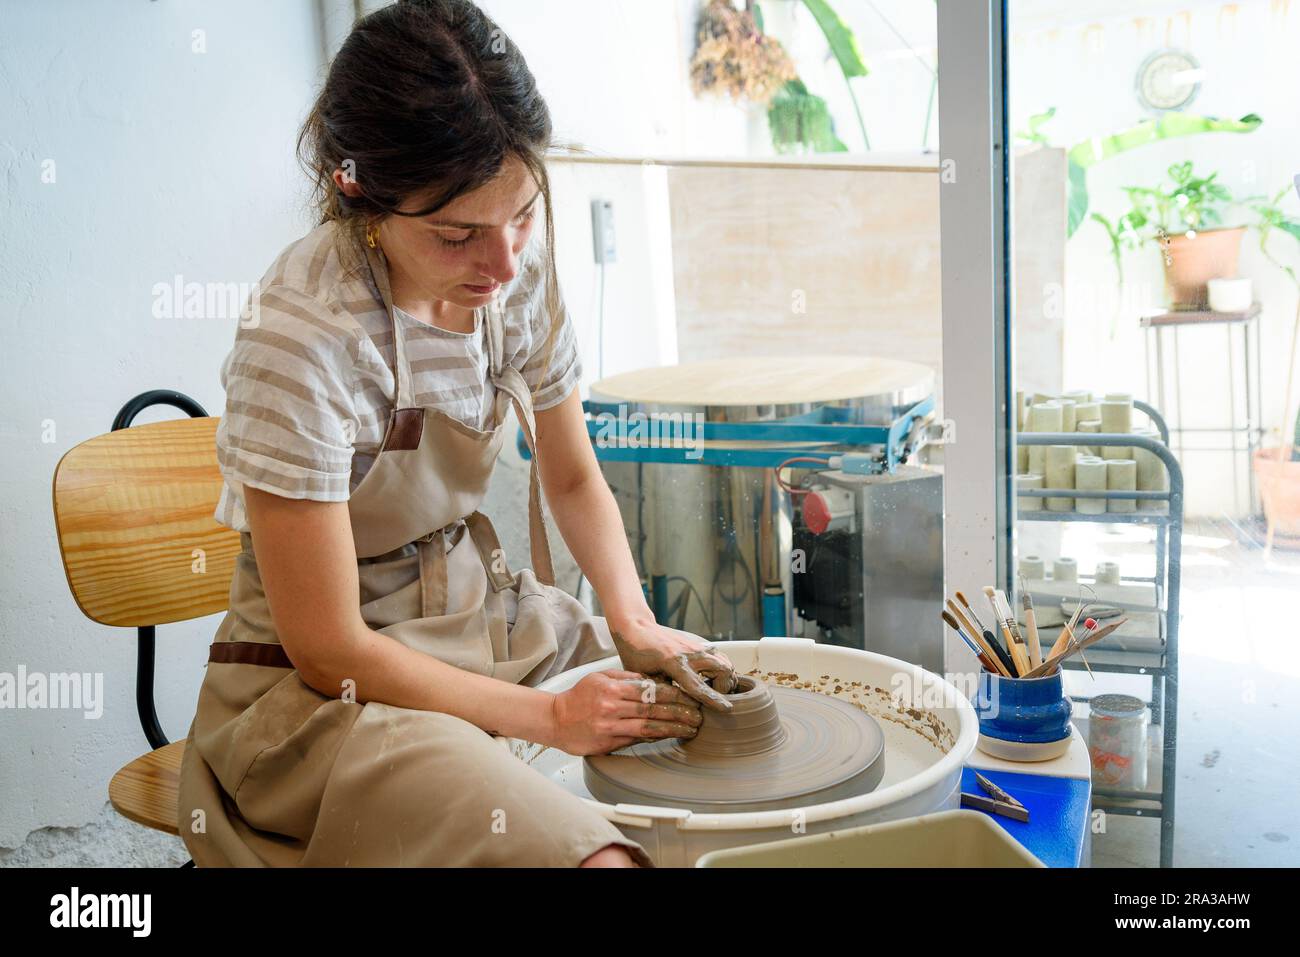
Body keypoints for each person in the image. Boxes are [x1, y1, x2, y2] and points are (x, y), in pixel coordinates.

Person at [176, 0, 735, 868]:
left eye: (521, 214)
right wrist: (549, 717)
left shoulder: (511, 272)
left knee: (702, 715)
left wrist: (631, 619)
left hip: (479, 616)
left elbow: (574, 478)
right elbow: (329, 647)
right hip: (326, 689)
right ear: (356, 191)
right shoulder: (304, 336)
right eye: (458, 234)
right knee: (592, 856)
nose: (504, 263)